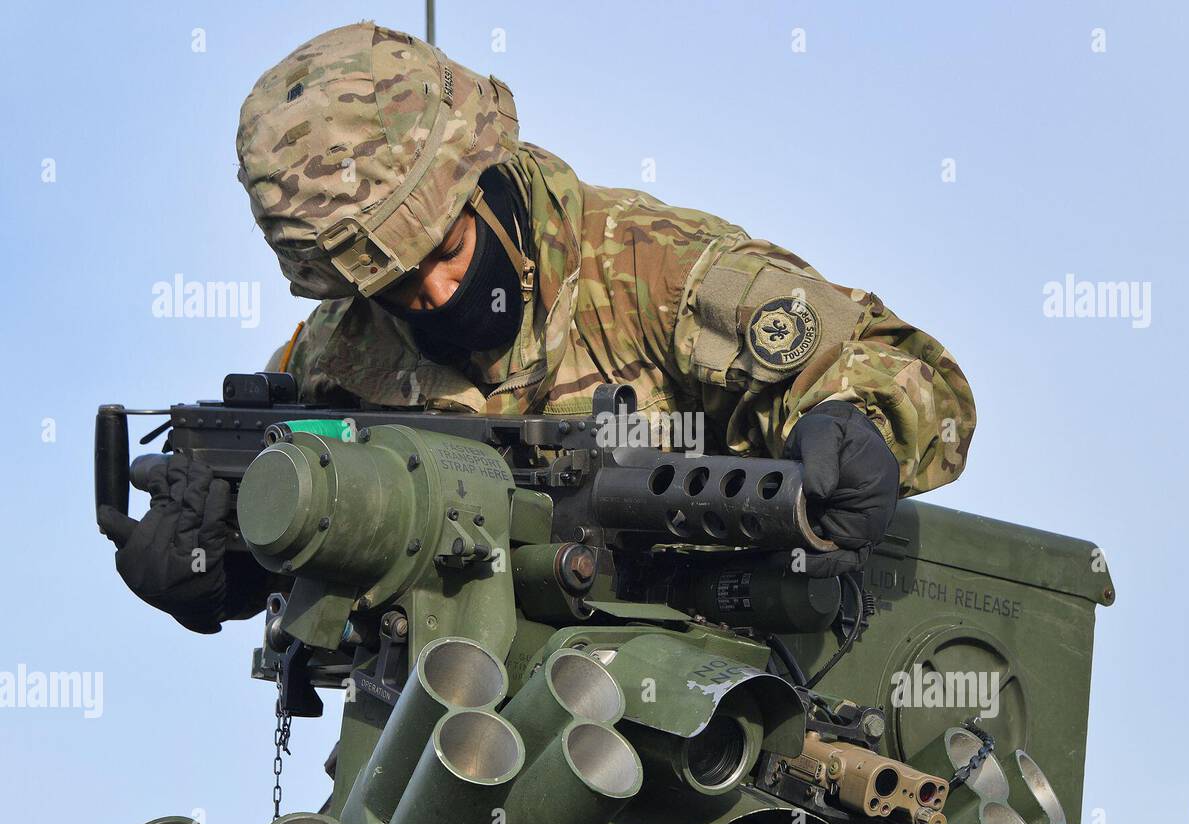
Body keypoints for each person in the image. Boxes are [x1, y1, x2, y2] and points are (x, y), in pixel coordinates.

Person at [99, 22, 976, 633]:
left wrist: (860, 427)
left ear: (478, 179)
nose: (436, 295)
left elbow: (904, 370)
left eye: (445, 249)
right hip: (444, 744)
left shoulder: (652, 269)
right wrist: (224, 565)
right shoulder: (333, 354)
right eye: (394, 284)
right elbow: (314, 538)